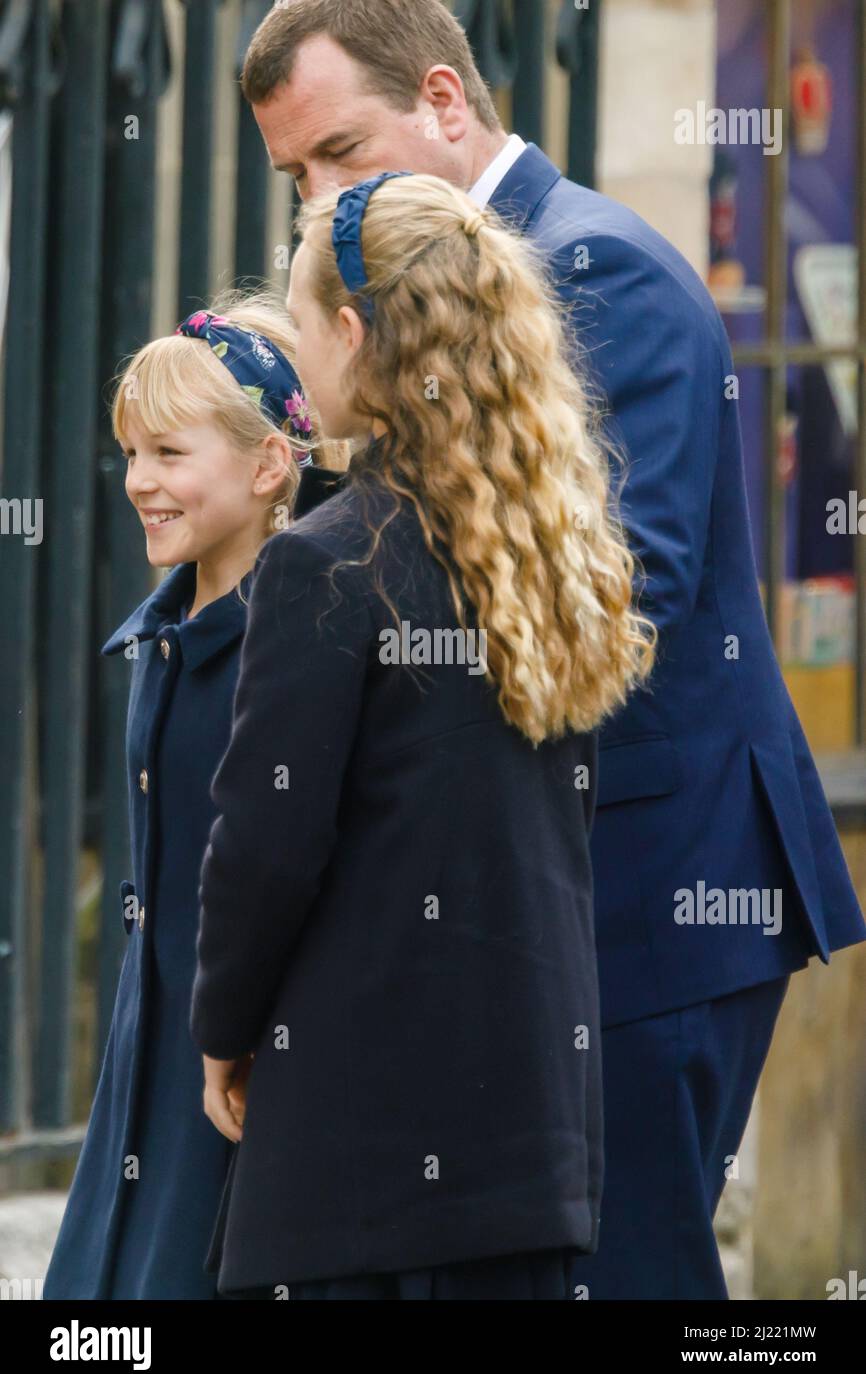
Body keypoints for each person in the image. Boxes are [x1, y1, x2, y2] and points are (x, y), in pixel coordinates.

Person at [237, 0, 866, 1299]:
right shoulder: (449, 295)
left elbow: (611, 601)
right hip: (564, 910)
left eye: (344, 155)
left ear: (447, 104)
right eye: (298, 176)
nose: (319, 202)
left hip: (645, 898)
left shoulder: (588, 269)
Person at [189, 172, 656, 1300]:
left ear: (352, 335)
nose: (295, 350)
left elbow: (265, 846)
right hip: (528, 1133)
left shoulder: (324, 558)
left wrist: (224, 1029)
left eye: (299, 324)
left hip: (362, 1151)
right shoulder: (549, 549)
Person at [42, 291, 345, 1299]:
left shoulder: (288, 643)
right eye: (130, 454)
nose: (138, 482)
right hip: (145, 1063)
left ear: (268, 467)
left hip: (238, 1075)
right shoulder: (163, 630)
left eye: (169, 454)